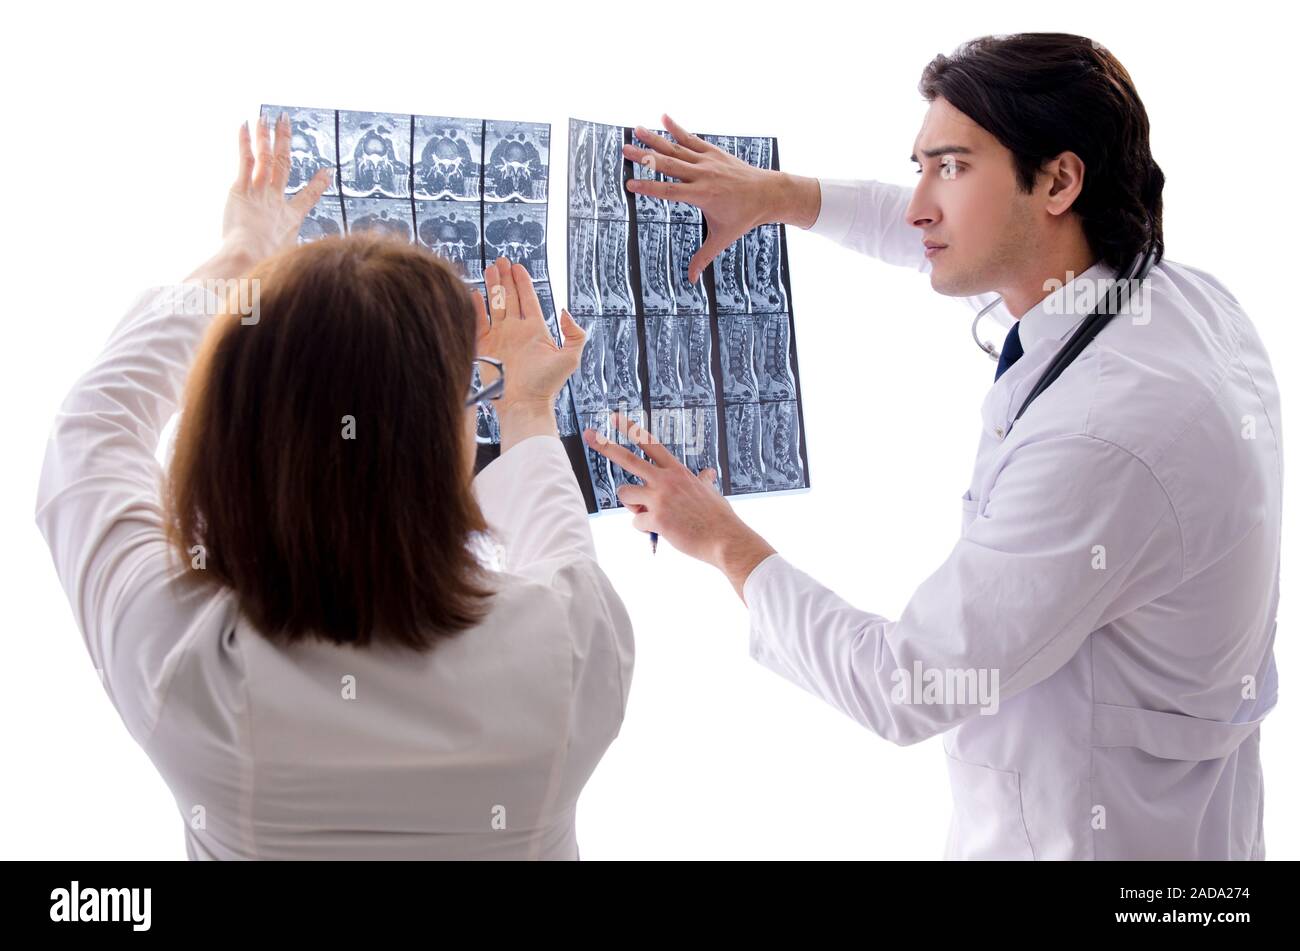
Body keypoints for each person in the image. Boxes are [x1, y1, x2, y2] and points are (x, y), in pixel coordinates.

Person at [584, 33, 1282, 859]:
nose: (920, 205)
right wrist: (779, 196)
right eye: (921, 167)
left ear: (1059, 181)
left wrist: (722, 540)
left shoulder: (1103, 437)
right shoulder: (1172, 299)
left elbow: (907, 683)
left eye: (951, 167)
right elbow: (942, 232)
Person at [35, 111, 632, 860]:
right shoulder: (569, 653)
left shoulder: (182, 666)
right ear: (429, 455)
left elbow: (91, 430)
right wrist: (525, 406)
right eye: (464, 395)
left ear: (232, 439)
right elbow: (558, 546)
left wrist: (240, 260)